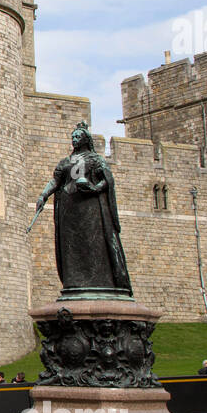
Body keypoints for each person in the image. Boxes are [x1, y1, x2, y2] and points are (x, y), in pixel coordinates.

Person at [34, 122, 132, 297]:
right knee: (71, 247)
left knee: (94, 244)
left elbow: (107, 180)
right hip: (69, 210)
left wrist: (95, 189)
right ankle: (74, 282)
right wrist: (43, 195)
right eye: (73, 137)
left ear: (85, 139)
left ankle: (99, 282)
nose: (74, 140)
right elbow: (55, 182)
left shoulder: (95, 160)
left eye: (78, 137)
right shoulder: (65, 162)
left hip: (90, 209)